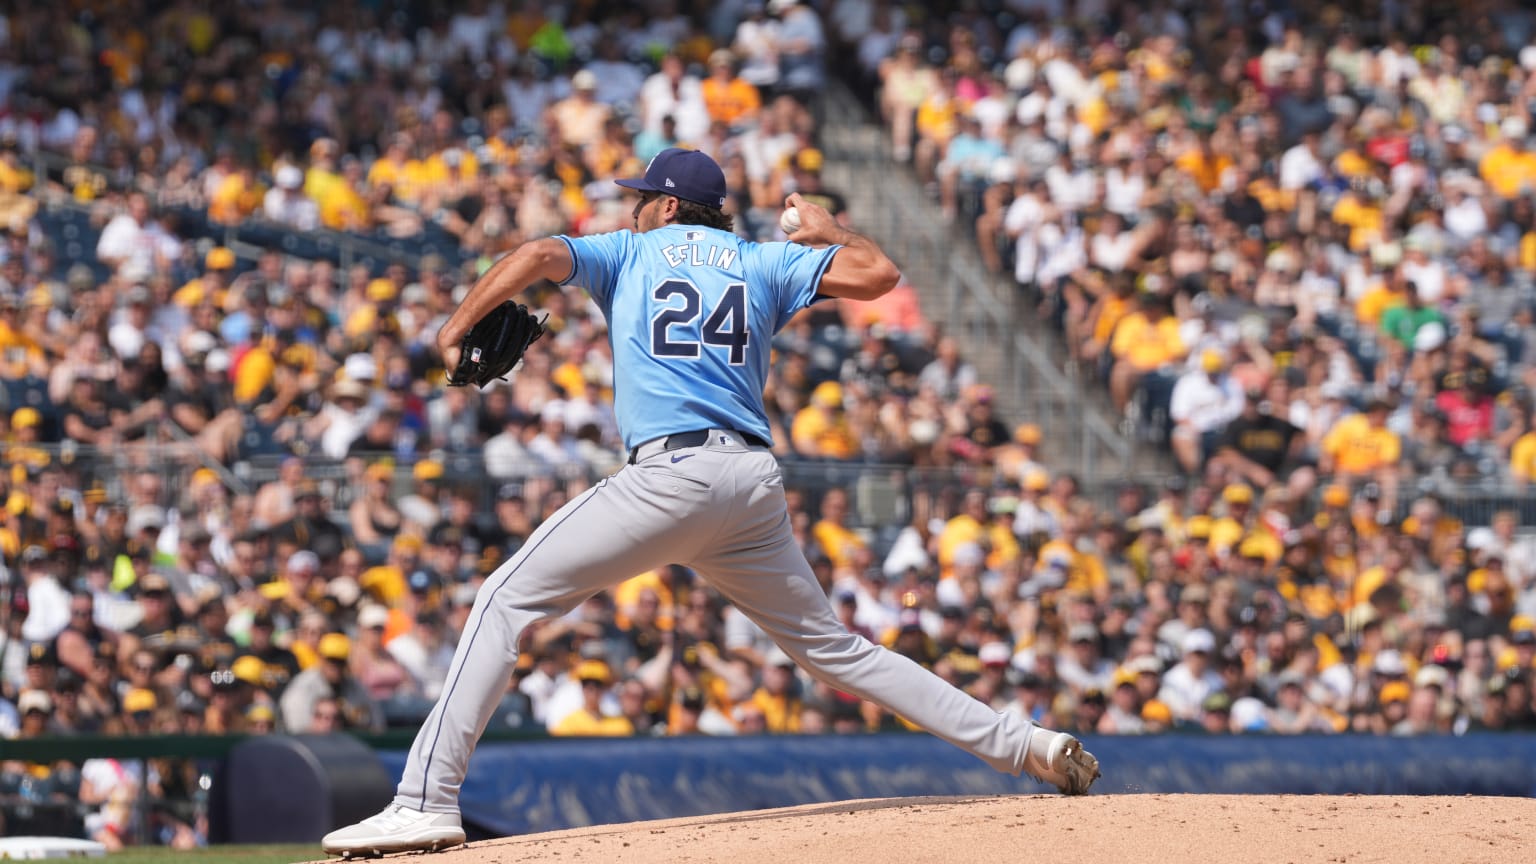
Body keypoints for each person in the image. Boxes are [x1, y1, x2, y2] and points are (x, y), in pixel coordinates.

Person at [322, 148, 1098, 856]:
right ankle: (1024, 746)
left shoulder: (629, 251)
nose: (631, 209)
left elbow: (535, 255)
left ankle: (423, 800)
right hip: (749, 485)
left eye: (639, 198)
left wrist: (455, 325)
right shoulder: (760, 261)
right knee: (836, 651)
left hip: (671, 476)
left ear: (665, 205)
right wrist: (830, 231)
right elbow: (879, 275)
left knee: (502, 600)